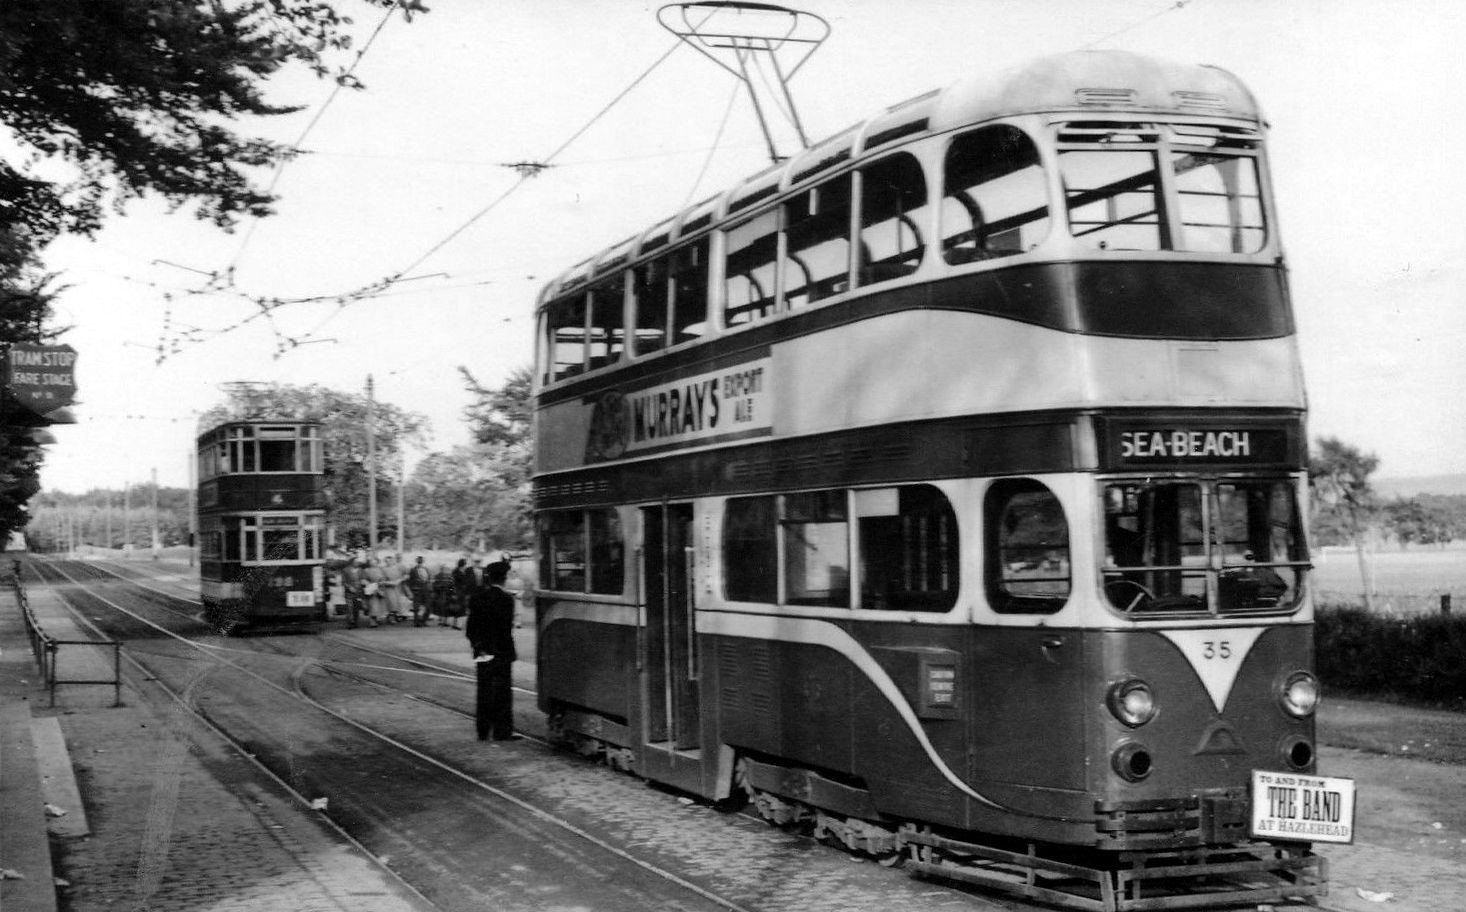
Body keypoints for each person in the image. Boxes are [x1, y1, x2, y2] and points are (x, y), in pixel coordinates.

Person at [465, 560, 517, 741]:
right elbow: (506, 629)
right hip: (502, 652)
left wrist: (478, 646)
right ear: (504, 579)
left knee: (484, 690)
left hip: (483, 652)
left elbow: (470, 629)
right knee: (502, 692)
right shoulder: (507, 600)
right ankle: (502, 732)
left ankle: (483, 730)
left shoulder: (477, 598)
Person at [342, 556, 376, 628]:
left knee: (356, 608)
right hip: (349, 592)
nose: (357, 563)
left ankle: (355, 622)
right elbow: (344, 581)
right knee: (349, 607)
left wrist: (366, 583)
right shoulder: (346, 570)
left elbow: (363, 579)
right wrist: (349, 587)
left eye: (357, 562)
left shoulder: (361, 570)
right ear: (351, 562)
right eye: (355, 562)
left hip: (359, 591)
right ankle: (350, 622)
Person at [381, 553, 408, 623]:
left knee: (397, 602)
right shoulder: (384, 569)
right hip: (389, 588)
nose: (388, 562)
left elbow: (404, 576)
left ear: (393, 561)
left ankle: (395, 616)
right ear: (385, 562)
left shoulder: (397, 568)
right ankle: (391, 618)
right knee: (391, 602)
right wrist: (390, 583)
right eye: (387, 561)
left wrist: (402, 579)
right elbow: (382, 580)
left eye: (390, 560)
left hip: (397, 588)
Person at [407, 555, 433, 627]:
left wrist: (430, 588)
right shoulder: (413, 570)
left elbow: (429, 579)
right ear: (416, 561)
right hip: (417, 590)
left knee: (429, 606)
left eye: (421, 560)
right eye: (419, 560)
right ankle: (416, 622)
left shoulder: (427, 569)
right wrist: (412, 590)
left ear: (423, 561)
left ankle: (424, 621)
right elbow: (410, 582)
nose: (420, 561)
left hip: (426, 590)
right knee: (416, 607)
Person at [363, 556, 388, 624]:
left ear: (377, 562)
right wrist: (368, 584)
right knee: (372, 605)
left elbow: (384, 578)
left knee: (379, 604)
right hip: (371, 589)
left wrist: (381, 582)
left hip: (379, 589)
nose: (373, 563)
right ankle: (372, 621)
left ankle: (377, 618)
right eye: (372, 562)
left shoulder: (381, 570)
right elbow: (364, 579)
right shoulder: (367, 570)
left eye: (375, 562)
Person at [431, 562, 457, 627]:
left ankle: (444, 621)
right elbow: (435, 585)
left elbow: (452, 585)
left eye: (444, 568)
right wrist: (438, 588)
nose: (443, 569)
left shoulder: (449, 576)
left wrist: (452, 592)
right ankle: (443, 621)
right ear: (440, 568)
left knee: (446, 608)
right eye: (442, 568)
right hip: (440, 594)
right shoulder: (438, 576)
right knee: (441, 608)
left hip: (447, 594)